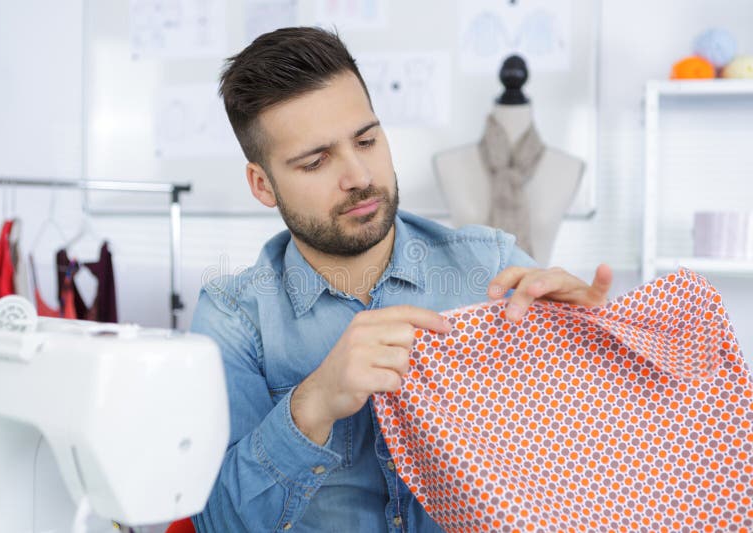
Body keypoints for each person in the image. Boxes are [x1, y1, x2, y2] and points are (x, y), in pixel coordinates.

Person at [190, 27, 612, 533]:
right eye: (316, 161)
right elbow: (216, 524)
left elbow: (587, 466)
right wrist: (314, 403)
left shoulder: (493, 267)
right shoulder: (234, 316)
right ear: (262, 184)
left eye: (366, 140)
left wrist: (595, 357)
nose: (358, 175)